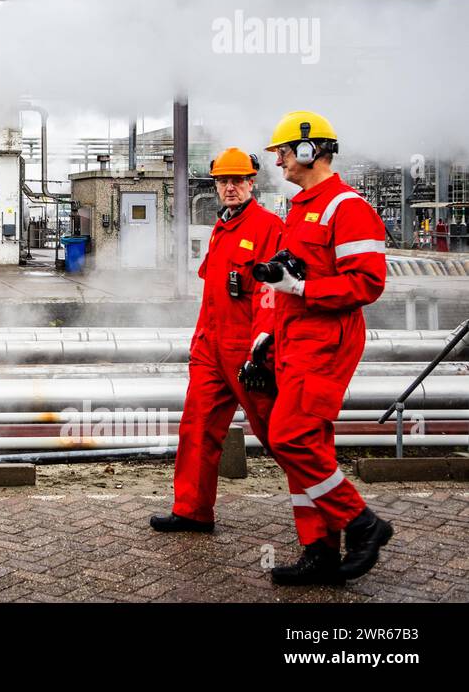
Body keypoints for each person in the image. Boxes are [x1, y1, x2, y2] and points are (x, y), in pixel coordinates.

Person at [261, 110, 393, 585]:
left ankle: (363, 523)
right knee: (307, 446)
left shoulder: (347, 206)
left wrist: (302, 289)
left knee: (289, 438)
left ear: (306, 149)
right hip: (295, 340)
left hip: (324, 344)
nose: (277, 163)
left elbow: (367, 282)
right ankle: (319, 552)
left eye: (281, 153)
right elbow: (291, 278)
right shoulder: (299, 207)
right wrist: (268, 334)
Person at [150, 149, 283, 533]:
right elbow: (215, 292)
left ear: (251, 183)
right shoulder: (221, 229)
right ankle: (192, 510)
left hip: (246, 351)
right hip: (211, 348)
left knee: (279, 432)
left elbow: (270, 295)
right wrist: (200, 343)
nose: (230, 187)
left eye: (237, 180)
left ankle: (328, 509)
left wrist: (262, 349)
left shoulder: (268, 227)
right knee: (197, 426)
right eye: (223, 181)